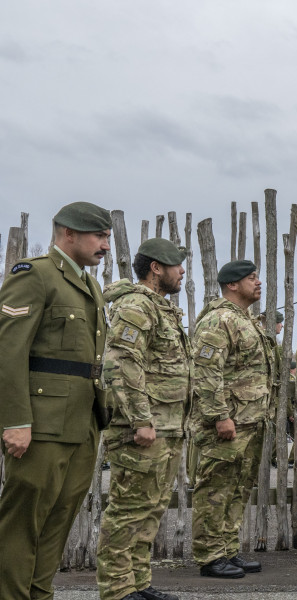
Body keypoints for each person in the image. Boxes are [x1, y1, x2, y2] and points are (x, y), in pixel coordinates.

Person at [0, 202, 112, 600]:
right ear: (69, 234)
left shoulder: (89, 284)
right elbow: (9, 352)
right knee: (23, 520)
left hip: (81, 422)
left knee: (59, 517)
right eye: (99, 236)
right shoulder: (35, 275)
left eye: (108, 238)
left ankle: (38, 593)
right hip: (42, 422)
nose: (105, 246)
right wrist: (14, 421)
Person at [95, 239, 190, 600]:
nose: (181, 272)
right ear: (155, 267)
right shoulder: (136, 305)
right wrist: (140, 420)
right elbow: (120, 362)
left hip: (165, 427)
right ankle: (117, 590)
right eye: (176, 265)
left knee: (149, 510)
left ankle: (138, 584)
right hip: (142, 429)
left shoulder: (159, 307)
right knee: (128, 511)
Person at [189, 259, 278, 578]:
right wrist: (218, 416)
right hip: (226, 423)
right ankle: (210, 555)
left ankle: (226, 549)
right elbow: (205, 371)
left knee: (237, 487)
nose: (258, 282)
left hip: (248, 420)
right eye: (251, 278)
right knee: (216, 487)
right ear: (231, 285)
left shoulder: (245, 319)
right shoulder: (219, 319)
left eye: (257, 276)